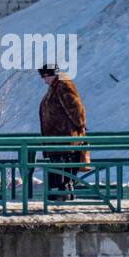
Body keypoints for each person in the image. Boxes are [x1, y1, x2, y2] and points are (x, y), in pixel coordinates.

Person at [38, 63, 89, 201]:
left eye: (45, 76)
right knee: (59, 171)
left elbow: (76, 108)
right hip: (57, 140)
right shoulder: (55, 86)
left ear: (51, 75)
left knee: (64, 171)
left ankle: (65, 195)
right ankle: (62, 195)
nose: (44, 80)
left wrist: (80, 126)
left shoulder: (63, 85)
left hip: (65, 139)